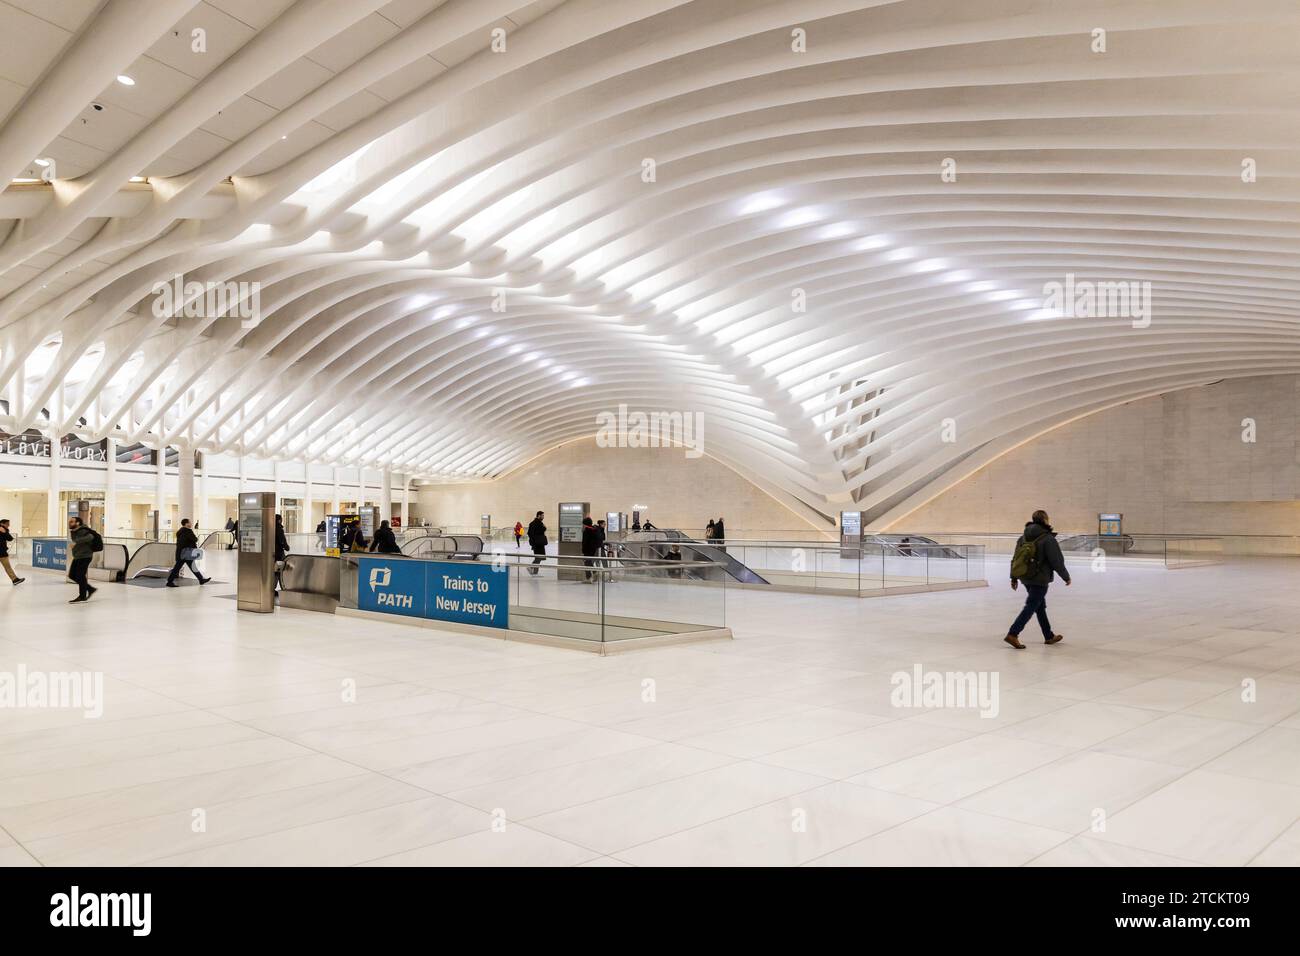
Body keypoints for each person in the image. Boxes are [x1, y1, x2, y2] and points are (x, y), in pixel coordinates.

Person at [1004, 509, 1071, 649]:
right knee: (1031, 605)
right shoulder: (1048, 538)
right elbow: (1056, 560)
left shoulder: (1023, 537)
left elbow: (1016, 559)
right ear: (1046, 520)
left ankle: (1048, 635)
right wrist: (1066, 576)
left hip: (1025, 576)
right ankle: (1013, 633)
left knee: (1039, 606)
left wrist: (1014, 577)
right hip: (1040, 578)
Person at [166, 518, 211, 587]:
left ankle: (201, 579)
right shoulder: (188, 531)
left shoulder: (180, 531)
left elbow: (182, 542)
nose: (191, 524)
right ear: (186, 524)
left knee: (190, 567)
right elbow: (195, 539)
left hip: (181, 552)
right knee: (177, 568)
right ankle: (169, 581)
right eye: (190, 522)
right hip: (186, 553)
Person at [66, 516, 97, 604]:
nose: (70, 523)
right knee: (72, 575)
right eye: (69, 521)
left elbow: (90, 537)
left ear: (78, 523)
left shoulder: (83, 530)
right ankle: (90, 589)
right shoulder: (74, 531)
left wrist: (76, 542)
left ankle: (82, 596)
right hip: (78, 556)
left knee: (80, 575)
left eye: (72, 521)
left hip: (85, 556)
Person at [0, 519, 25, 586]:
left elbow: (9, 538)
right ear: (2, 523)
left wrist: (5, 531)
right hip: (1, 552)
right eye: (7, 524)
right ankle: (14, 579)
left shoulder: (3, 529)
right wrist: (5, 532)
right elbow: (10, 538)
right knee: (7, 566)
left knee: (7, 566)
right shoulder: (2, 529)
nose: (9, 525)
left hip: (2, 551)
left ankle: (14, 579)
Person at [526, 511, 547, 575]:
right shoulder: (537, 523)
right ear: (538, 515)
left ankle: (535, 572)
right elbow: (539, 531)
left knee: (539, 557)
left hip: (537, 543)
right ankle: (531, 568)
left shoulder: (534, 523)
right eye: (542, 515)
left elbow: (529, 533)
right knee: (539, 557)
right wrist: (544, 528)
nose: (543, 517)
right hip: (538, 543)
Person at [581, 516, 601, 582]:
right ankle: (594, 572)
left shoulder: (586, 531)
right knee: (588, 562)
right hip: (593, 549)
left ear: (585, 524)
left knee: (586, 563)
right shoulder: (594, 529)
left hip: (587, 549)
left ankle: (589, 578)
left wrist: (583, 551)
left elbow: (585, 542)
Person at [274, 514, 290, 591]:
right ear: (279, 520)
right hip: (279, 553)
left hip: (272, 552)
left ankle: (271, 587)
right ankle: (278, 587)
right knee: (279, 570)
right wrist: (286, 547)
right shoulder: (279, 528)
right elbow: (282, 539)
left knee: (274, 570)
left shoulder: (270, 527)